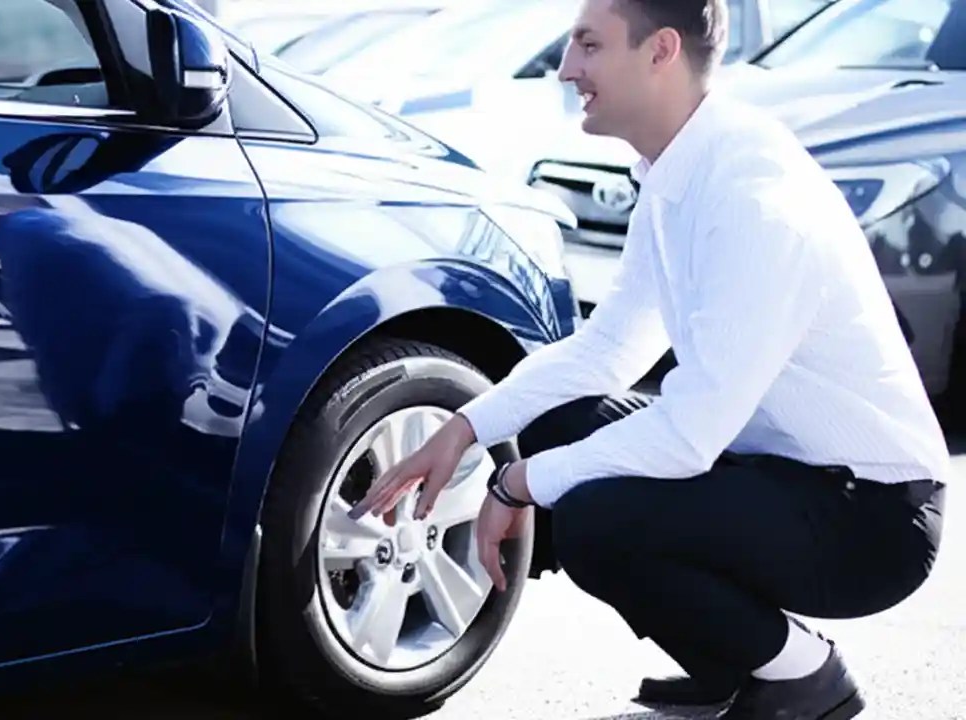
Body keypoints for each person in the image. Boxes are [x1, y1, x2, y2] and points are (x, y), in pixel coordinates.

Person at [349, 0, 951, 717]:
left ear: (661, 50)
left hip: (870, 518)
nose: (567, 68)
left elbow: (690, 432)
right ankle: (736, 668)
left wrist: (519, 484)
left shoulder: (753, 197)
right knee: (553, 423)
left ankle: (803, 674)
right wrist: (467, 427)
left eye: (589, 45)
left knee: (595, 517)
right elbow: (611, 348)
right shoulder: (676, 169)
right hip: (774, 467)